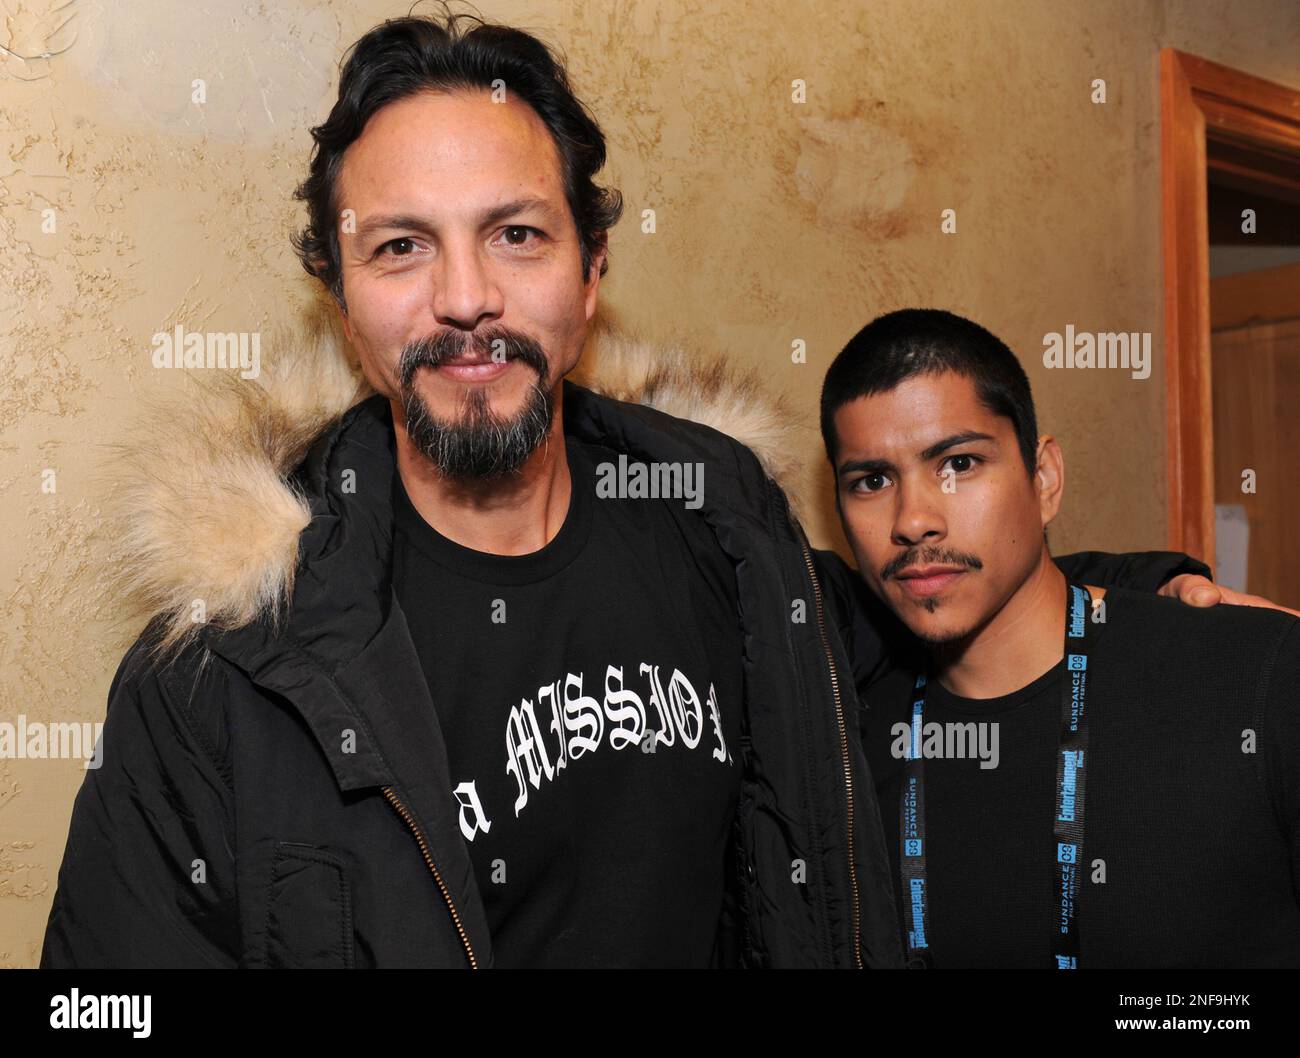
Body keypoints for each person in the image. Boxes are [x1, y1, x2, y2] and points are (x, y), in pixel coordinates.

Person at [41, 15, 1222, 969]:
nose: (465, 299)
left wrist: (1152, 591)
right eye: (400, 246)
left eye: (516, 235)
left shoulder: (721, 532)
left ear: (592, 271)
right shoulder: (225, 672)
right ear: (341, 301)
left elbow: (906, 605)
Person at [821, 308, 1300, 968]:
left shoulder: (1257, 675)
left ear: (1043, 479)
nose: (914, 520)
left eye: (958, 462)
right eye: (872, 480)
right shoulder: (844, 737)